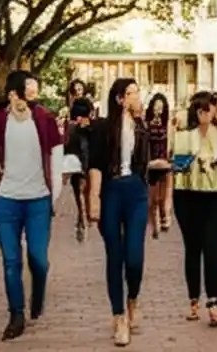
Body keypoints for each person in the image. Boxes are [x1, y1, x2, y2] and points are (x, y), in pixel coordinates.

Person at [0, 70, 64, 341]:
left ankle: (38, 294)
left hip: (38, 199)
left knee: (38, 260)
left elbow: (56, 155)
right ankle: (16, 314)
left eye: (34, 93)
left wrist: (54, 195)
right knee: (11, 261)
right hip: (7, 201)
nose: (32, 98)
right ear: (12, 94)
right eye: (27, 92)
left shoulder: (44, 119)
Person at [87, 78, 150, 347]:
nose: (136, 97)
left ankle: (132, 298)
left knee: (134, 256)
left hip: (136, 191)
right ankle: (119, 316)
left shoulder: (142, 126)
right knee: (115, 255)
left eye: (137, 92)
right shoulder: (102, 127)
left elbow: (150, 161)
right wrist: (93, 199)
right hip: (111, 190)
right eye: (131, 93)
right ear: (119, 98)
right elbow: (96, 164)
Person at [171, 90, 217, 327]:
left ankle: (214, 301)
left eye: (213, 108)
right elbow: (178, 165)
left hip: (216, 196)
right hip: (187, 196)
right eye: (203, 109)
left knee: (212, 248)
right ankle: (193, 299)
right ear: (196, 111)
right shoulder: (183, 135)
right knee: (193, 248)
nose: (209, 113)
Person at [63, 98, 94, 242]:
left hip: (80, 165)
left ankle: (83, 215)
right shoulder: (73, 127)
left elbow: (66, 146)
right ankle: (84, 215)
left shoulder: (87, 127)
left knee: (81, 193)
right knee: (83, 192)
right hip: (82, 165)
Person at [145, 94, 173, 239]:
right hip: (151, 163)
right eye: (156, 106)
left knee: (163, 197)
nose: (158, 109)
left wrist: (169, 159)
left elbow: (170, 142)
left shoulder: (167, 123)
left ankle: (165, 217)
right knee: (152, 198)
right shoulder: (146, 123)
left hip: (164, 162)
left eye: (161, 107)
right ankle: (154, 225)